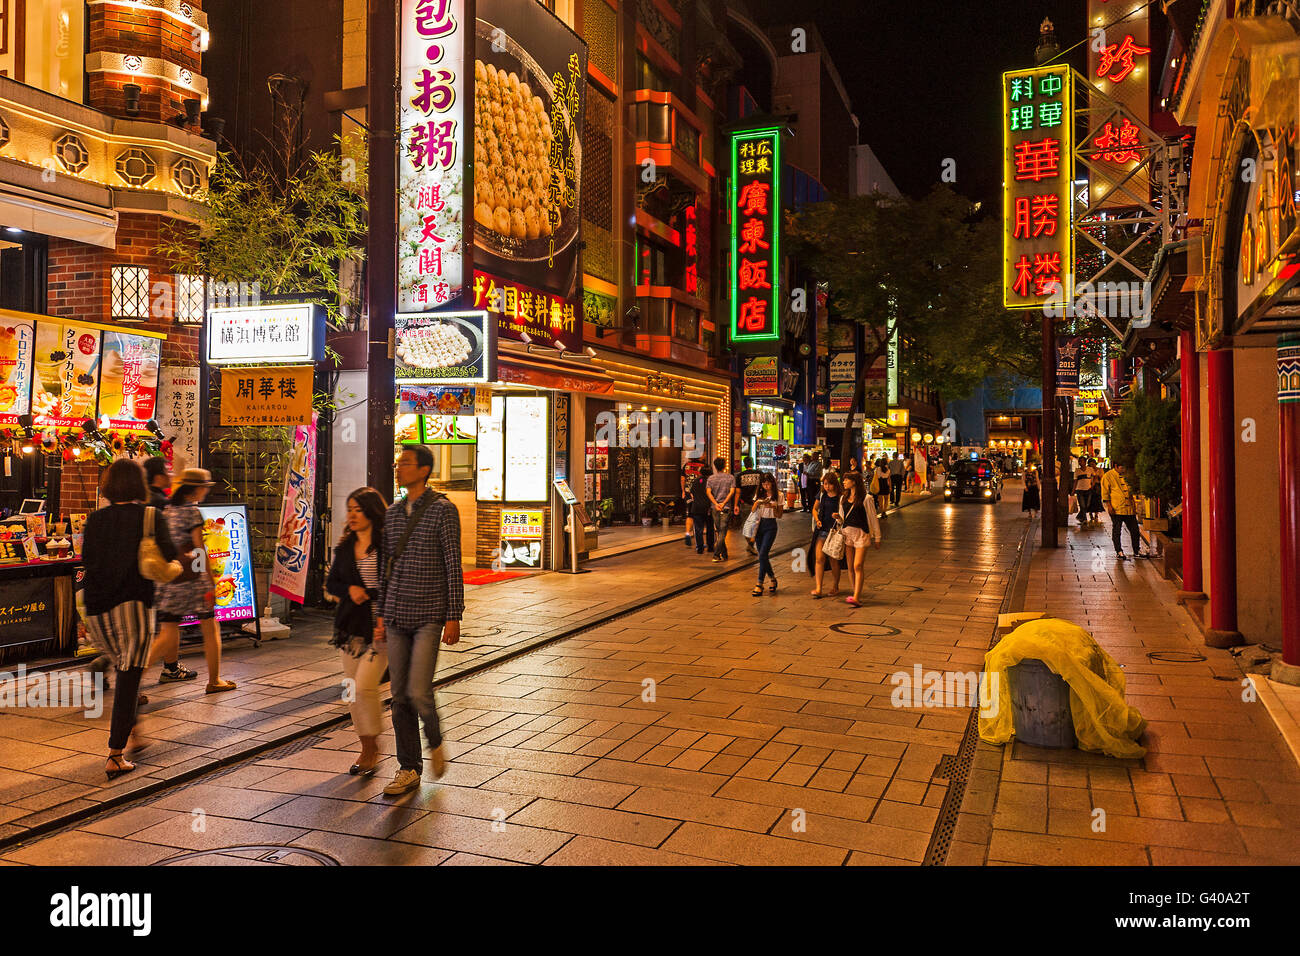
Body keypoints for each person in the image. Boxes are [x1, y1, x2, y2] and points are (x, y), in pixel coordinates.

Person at [82, 460, 196, 779]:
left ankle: (135, 733)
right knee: (129, 677)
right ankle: (116, 754)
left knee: (126, 674)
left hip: (96, 611)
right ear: (138, 484)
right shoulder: (150, 516)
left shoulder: (95, 520)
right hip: (133, 607)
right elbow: (171, 554)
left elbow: (86, 563)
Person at [375, 445, 464, 796]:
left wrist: (453, 615)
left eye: (406, 463)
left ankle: (435, 739)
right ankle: (408, 767)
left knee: (418, 690)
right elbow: (386, 568)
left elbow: (451, 563)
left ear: (424, 470)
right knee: (398, 696)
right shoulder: (393, 513)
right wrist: (381, 613)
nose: (399, 468)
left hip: (429, 613)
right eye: (398, 463)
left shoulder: (444, 510)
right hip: (397, 613)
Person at [150, 469, 234, 693]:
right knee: (210, 626)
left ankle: (132, 680)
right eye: (205, 487)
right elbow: (199, 549)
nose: (206, 490)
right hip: (192, 581)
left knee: (167, 631)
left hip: (169, 577)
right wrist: (211, 581)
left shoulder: (167, 510)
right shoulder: (191, 512)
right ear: (196, 488)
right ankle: (214, 680)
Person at [325, 487, 389, 777]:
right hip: (350, 628)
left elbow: (396, 583)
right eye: (349, 509)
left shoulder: (388, 545)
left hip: (382, 627)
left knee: (364, 686)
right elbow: (332, 585)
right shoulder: (344, 548)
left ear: (372, 512)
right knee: (351, 690)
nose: (351, 515)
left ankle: (373, 746)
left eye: (358, 509)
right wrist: (350, 589)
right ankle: (367, 746)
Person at [840, 472, 882, 607]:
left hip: (861, 534)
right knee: (851, 566)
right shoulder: (843, 498)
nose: (844, 482)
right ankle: (855, 592)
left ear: (854, 482)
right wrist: (837, 517)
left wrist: (877, 536)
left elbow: (872, 517)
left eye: (847, 480)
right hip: (847, 534)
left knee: (858, 565)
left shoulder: (866, 498)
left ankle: (856, 597)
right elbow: (842, 517)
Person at [1100, 461, 1146, 560]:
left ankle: (1137, 550)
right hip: (1116, 508)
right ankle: (1119, 551)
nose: (1123, 470)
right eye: (1122, 467)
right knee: (1117, 530)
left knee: (1135, 530)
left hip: (1129, 508)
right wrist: (1109, 506)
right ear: (1116, 466)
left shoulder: (1127, 475)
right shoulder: (1108, 476)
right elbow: (1105, 492)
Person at [810, 472, 843, 598]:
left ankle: (835, 586)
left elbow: (844, 515)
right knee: (819, 558)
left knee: (833, 560)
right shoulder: (822, 495)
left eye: (829, 484)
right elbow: (814, 509)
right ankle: (818, 588)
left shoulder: (840, 497)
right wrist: (817, 519)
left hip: (834, 532)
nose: (826, 486)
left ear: (835, 484)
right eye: (825, 484)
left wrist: (838, 517)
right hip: (822, 530)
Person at [750, 472, 783, 596]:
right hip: (759, 525)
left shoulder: (779, 495)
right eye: (764, 484)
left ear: (772, 483)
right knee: (762, 556)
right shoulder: (759, 494)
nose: (766, 486)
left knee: (763, 553)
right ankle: (773, 579)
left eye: (768, 483)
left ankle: (759, 584)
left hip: (771, 526)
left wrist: (773, 507)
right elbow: (753, 510)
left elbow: (780, 515)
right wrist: (758, 502)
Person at [706, 456, 736, 562]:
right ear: (724, 466)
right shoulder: (731, 477)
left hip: (715, 508)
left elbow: (708, 492)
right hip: (726, 507)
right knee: (722, 531)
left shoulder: (710, 478)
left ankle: (724, 554)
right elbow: (732, 492)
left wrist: (716, 504)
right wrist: (723, 503)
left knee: (720, 531)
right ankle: (716, 554)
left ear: (715, 466)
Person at [734, 456, 762, 554]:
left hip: (745, 504)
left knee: (746, 526)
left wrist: (735, 505)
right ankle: (751, 545)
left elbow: (737, 492)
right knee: (757, 526)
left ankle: (750, 545)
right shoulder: (759, 474)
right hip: (759, 504)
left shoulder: (740, 476)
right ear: (753, 463)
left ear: (744, 465)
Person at [680, 454, 706, 548]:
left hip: (688, 492)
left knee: (690, 514)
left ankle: (687, 533)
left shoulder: (686, 465)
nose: (705, 454)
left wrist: (683, 491)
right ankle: (699, 541)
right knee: (700, 516)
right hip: (700, 493)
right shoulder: (703, 466)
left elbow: (683, 479)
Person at [688, 469, 714, 555]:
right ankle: (710, 547)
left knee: (698, 529)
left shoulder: (695, 481)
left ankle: (700, 548)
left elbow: (691, 494)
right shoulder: (710, 481)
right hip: (708, 508)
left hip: (696, 508)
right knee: (710, 528)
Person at [1073, 455, 1094, 526]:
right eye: (1079, 461)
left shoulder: (1090, 469)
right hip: (1079, 490)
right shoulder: (1077, 470)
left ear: (1085, 462)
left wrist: (1092, 485)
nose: (1080, 462)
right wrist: (1073, 490)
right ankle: (1084, 519)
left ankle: (1079, 517)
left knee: (1087, 505)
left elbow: (1093, 477)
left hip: (1088, 489)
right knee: (1082, 505)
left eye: (1081, 461)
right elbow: (1075, 481)